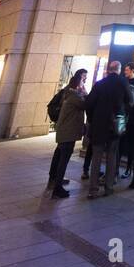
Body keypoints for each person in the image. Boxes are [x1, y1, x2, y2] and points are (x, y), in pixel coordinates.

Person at [83, 61, 134, 198]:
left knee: (97, 157)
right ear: (119, 69)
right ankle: (108, 187)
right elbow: (131, 100)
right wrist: (122, 114)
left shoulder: (100, 83)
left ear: (108, 69)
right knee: (112, 157)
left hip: (99, 125)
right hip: (114, 126)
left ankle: (93, 190)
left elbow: (88, 103)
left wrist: (93, 118)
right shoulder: (123, 82)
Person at [47, 69, 88, 197]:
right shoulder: (74, 95)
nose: (85, 81)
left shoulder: (68, 93)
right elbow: (86, 103)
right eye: (83, 79)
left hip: (64, 130)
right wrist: (85, 93)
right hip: (67, 131)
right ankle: (57, 187)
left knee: (60, 155)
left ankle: (54, 180)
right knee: (63, 159)